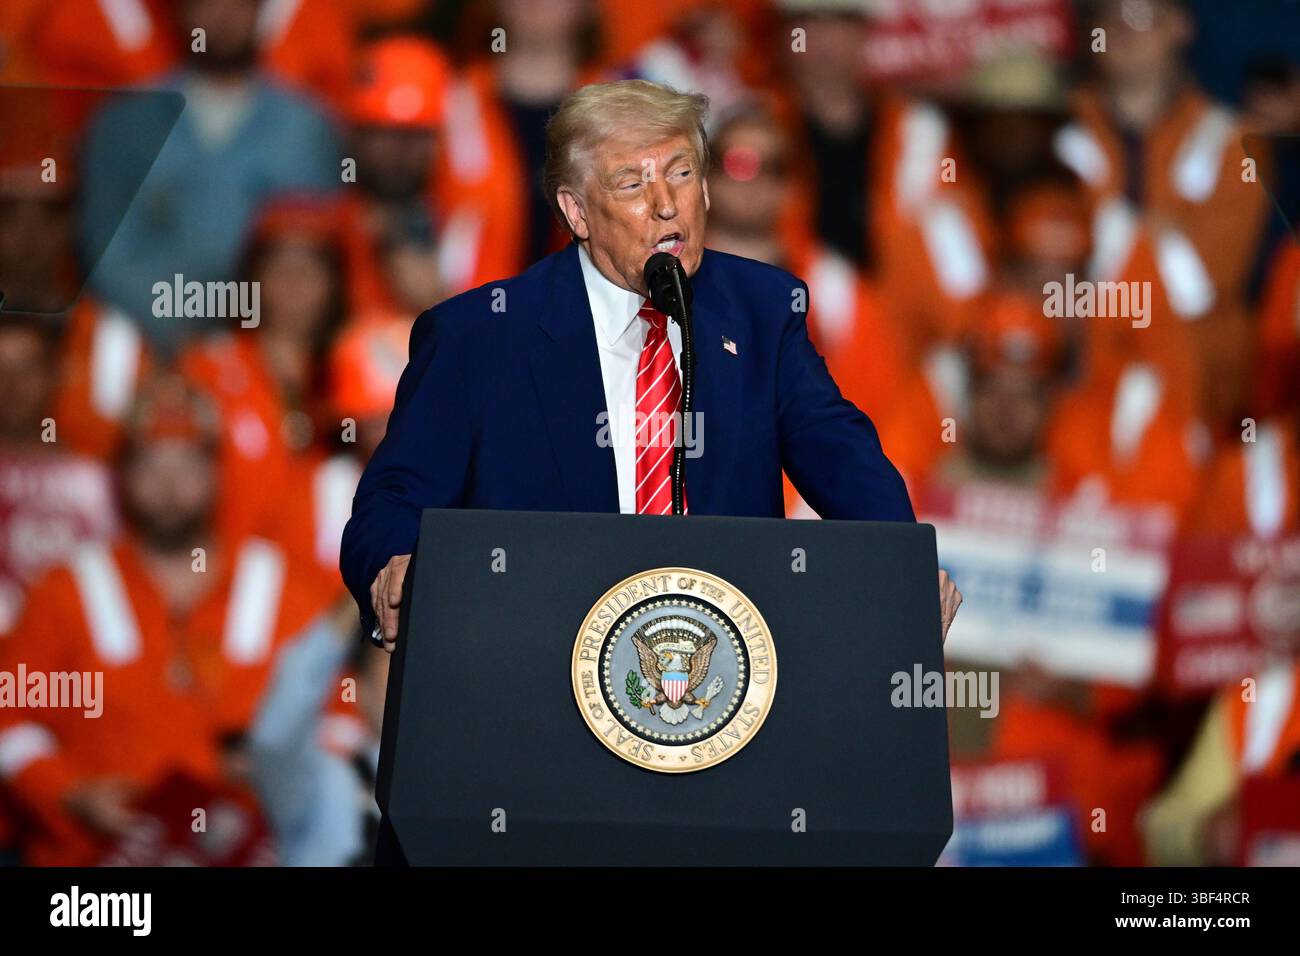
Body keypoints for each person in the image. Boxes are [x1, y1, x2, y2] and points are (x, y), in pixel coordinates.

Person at [339, 79, 963, 649]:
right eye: (632, 184)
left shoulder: (761, 312)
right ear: (576, 212)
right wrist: (394, 566)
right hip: (538, 665)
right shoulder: (481, 336)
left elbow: (843, 456)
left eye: (682, 173)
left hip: (723, 679)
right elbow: (391, 501)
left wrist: (900, 561)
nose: (667, 205)